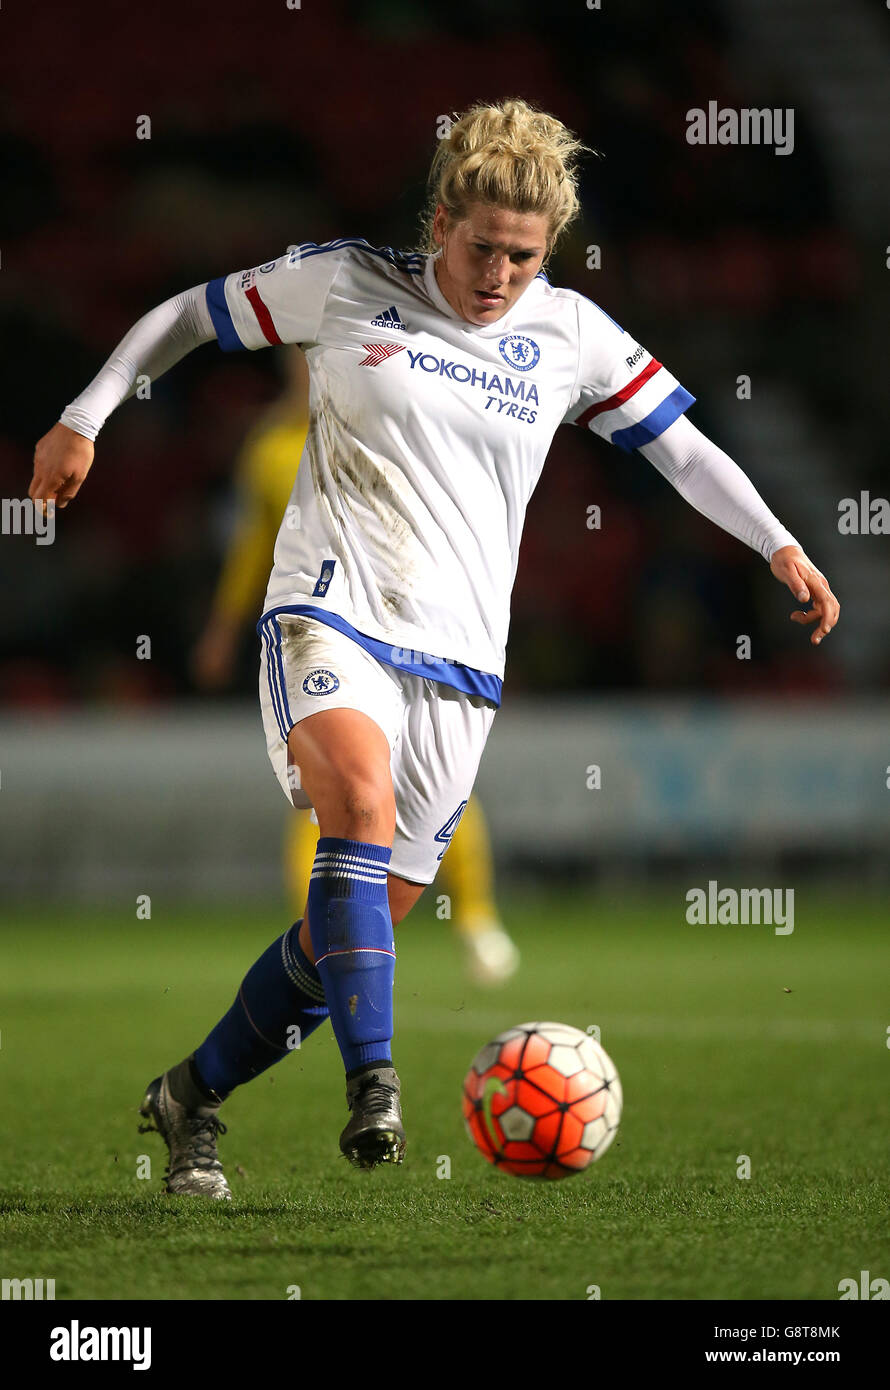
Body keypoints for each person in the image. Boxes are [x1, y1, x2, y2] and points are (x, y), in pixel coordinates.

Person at [29, 98, 839, 1198]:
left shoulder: (571, 335)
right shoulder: (348, 283)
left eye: (523, 254)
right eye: (480, 248)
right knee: (354, 812)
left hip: (460, 658)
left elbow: (683, 452)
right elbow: (185, 314)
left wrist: (778, 541)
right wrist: (87, 412)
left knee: (349, 932)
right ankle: (377, 1085)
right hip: (331, 605)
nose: (499, 274)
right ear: (439, 219)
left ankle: (189, 1098)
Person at [192, 345, 520, 985]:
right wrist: (222, 630)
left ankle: (476, 920)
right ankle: (323, 936)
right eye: (299, 361)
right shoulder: (269, 451)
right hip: (320, 630)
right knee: (322, 795)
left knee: (434, 783)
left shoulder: (390, 420)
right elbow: (252, 546)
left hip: (407, 627)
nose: (309, 372)